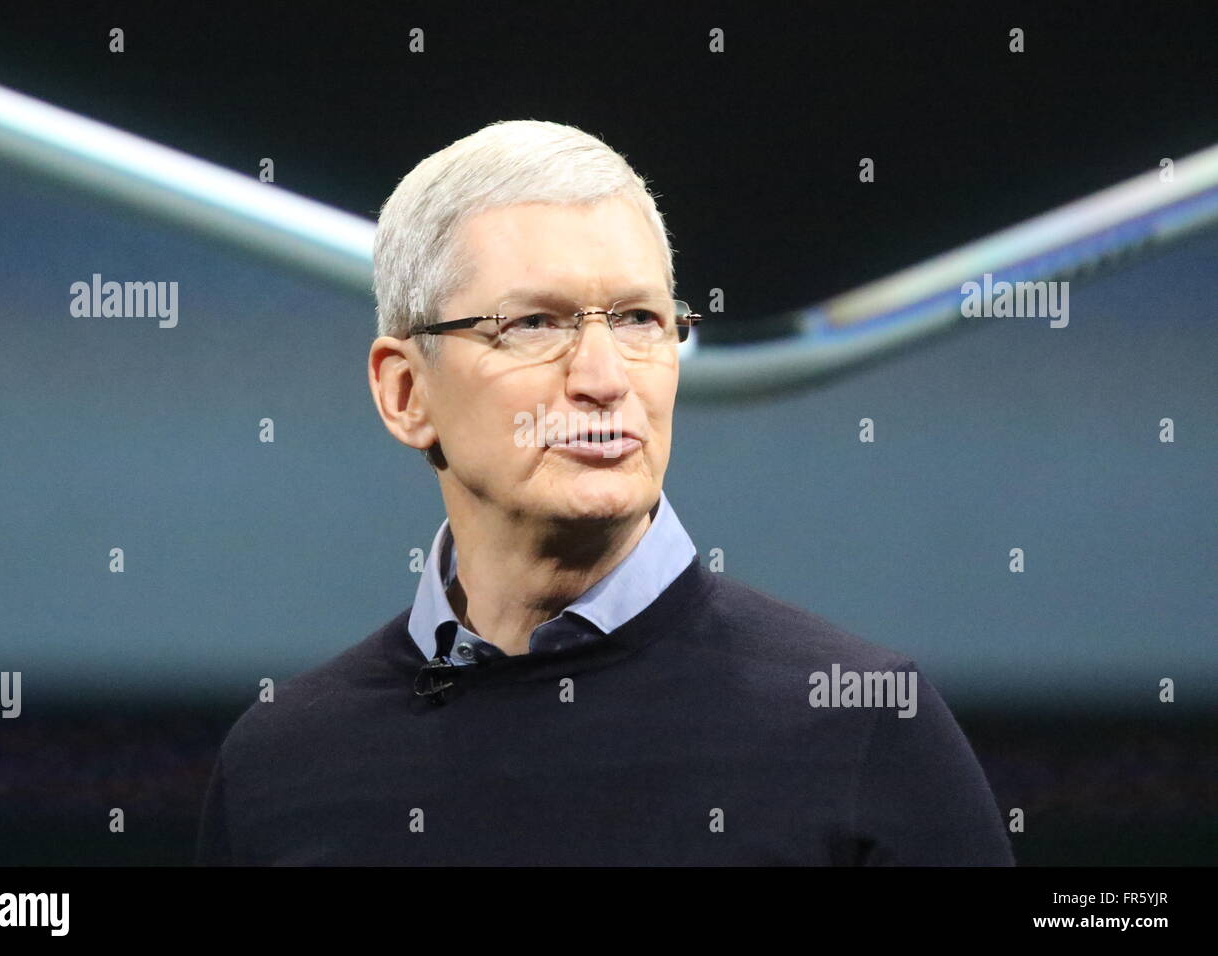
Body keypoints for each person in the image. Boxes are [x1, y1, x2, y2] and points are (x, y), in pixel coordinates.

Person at [195, 119, 1014, 865]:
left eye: (638, 321)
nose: (602, 378)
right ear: (406, 393)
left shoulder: (860, 724)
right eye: (534, 324)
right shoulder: (280, 766)